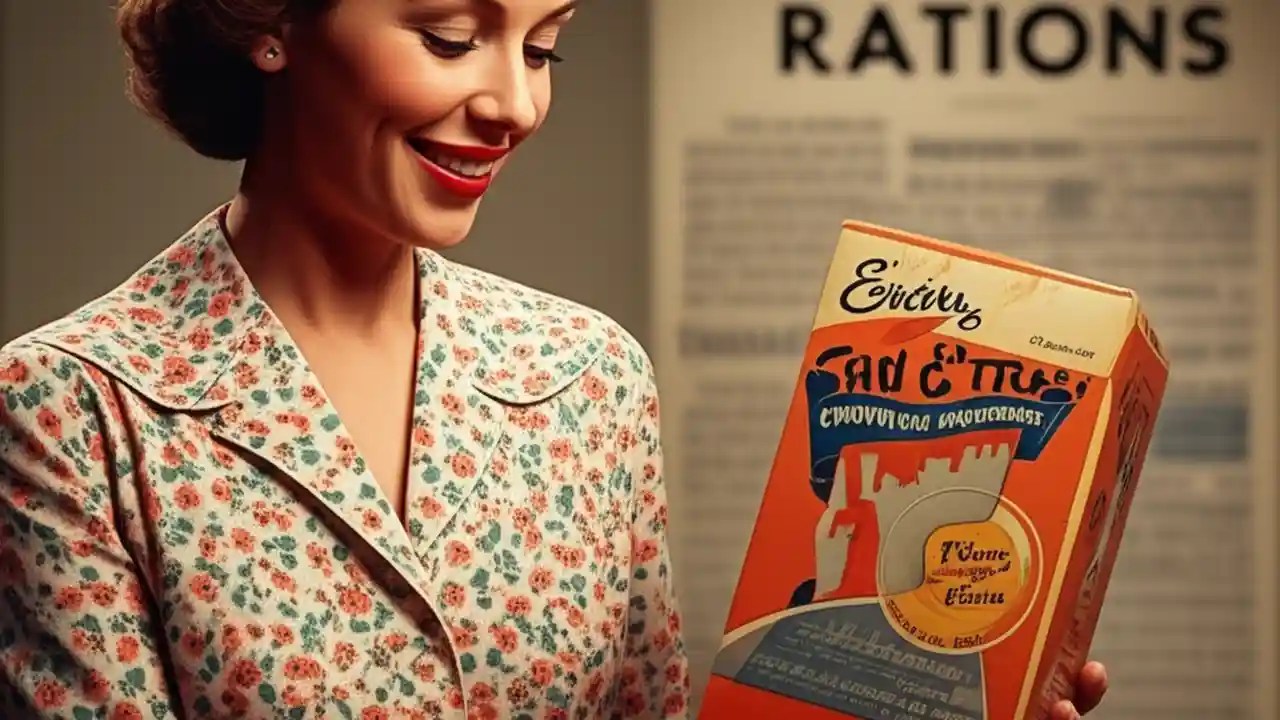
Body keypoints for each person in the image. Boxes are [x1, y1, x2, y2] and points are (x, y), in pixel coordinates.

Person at [0, 0, 1109, 718]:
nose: (515, 105)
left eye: (542, 49)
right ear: (274, 24)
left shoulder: (589, 374)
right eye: (450, 38)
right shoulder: (69, 403)